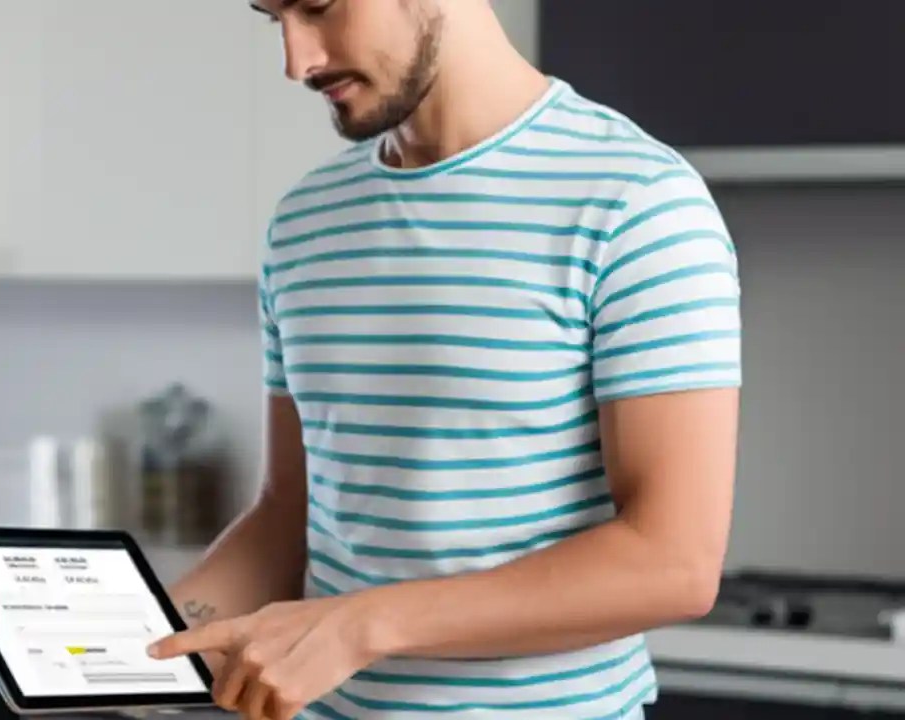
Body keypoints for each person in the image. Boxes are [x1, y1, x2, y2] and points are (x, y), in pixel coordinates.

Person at [148, 1, 742, 718]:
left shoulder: (635, 201)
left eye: (319, 8)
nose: (297, 61)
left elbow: (671, 564)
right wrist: (132, 653)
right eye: (275, 18)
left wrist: (363, 626)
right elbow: (288, 515)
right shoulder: (306, 221)